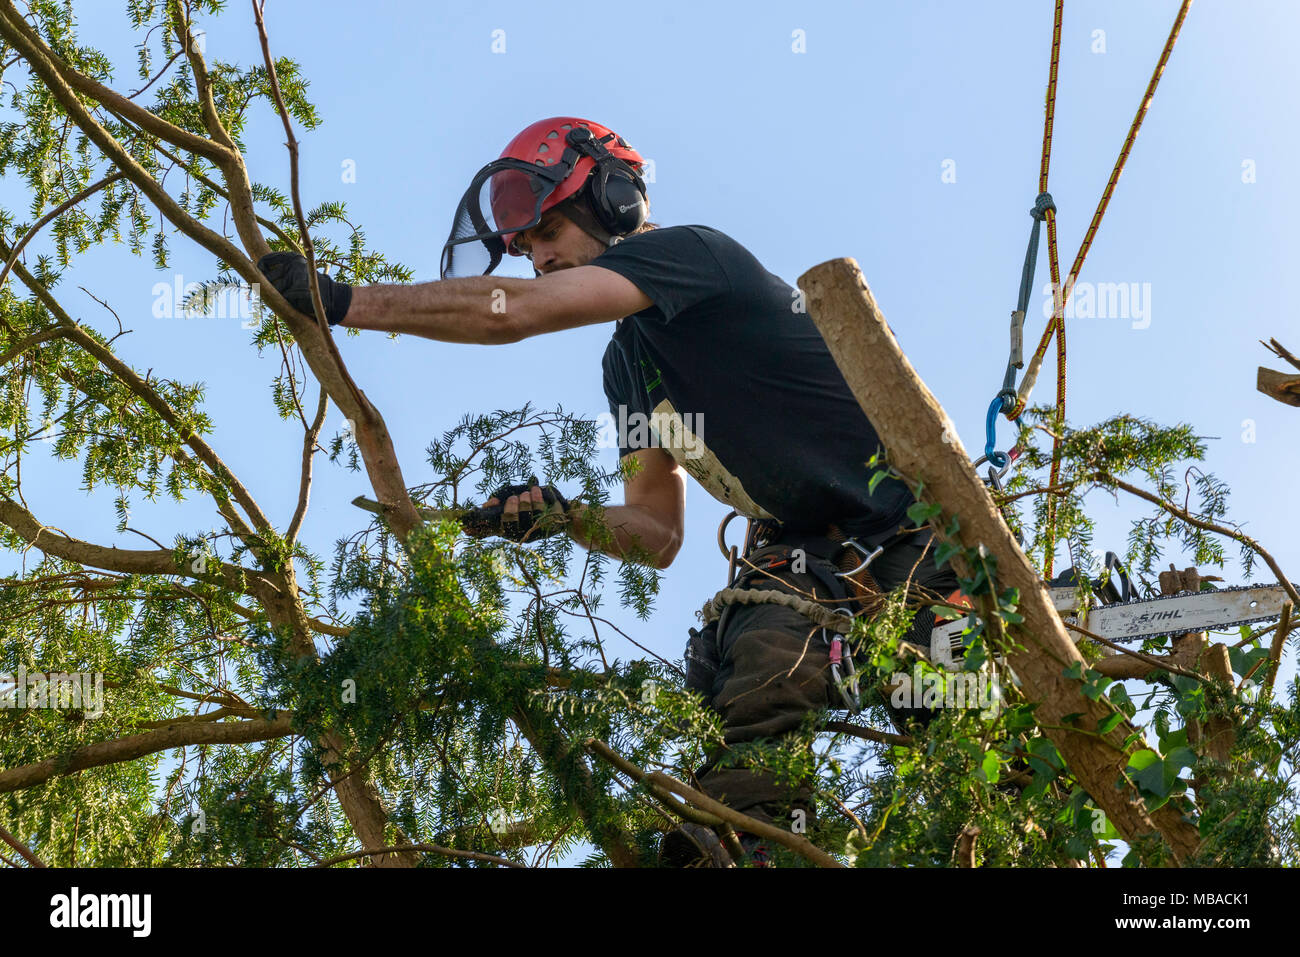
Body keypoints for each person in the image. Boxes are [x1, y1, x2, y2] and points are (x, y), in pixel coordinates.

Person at [258, 116, 961, 867]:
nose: (538, 259)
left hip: (921, 533)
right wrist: (566, 516)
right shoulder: (630, 367)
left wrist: (343, 301)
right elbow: (659, 531)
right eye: (525, 248)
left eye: (549, 230)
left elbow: (514, 314)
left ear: (616, 200)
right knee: (757, 668)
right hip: (815, 559)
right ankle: (748, 846)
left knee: (975, 734)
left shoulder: (688, 256)